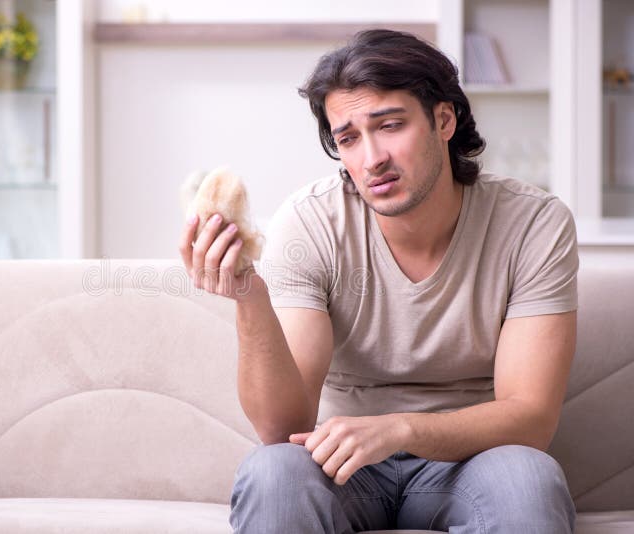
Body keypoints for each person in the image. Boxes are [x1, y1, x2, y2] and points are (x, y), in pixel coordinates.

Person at [178, 29, 577, 533]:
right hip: (344, 464)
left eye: (390, 126)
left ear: (444, 120)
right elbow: (282, 427)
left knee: (529, 480)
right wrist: (249, 298)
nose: (372, 159)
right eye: (348, 139)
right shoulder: (311, 223)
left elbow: (531, 419)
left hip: (474, 459)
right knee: (272, 471)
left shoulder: (533, 223)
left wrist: (400, 429)